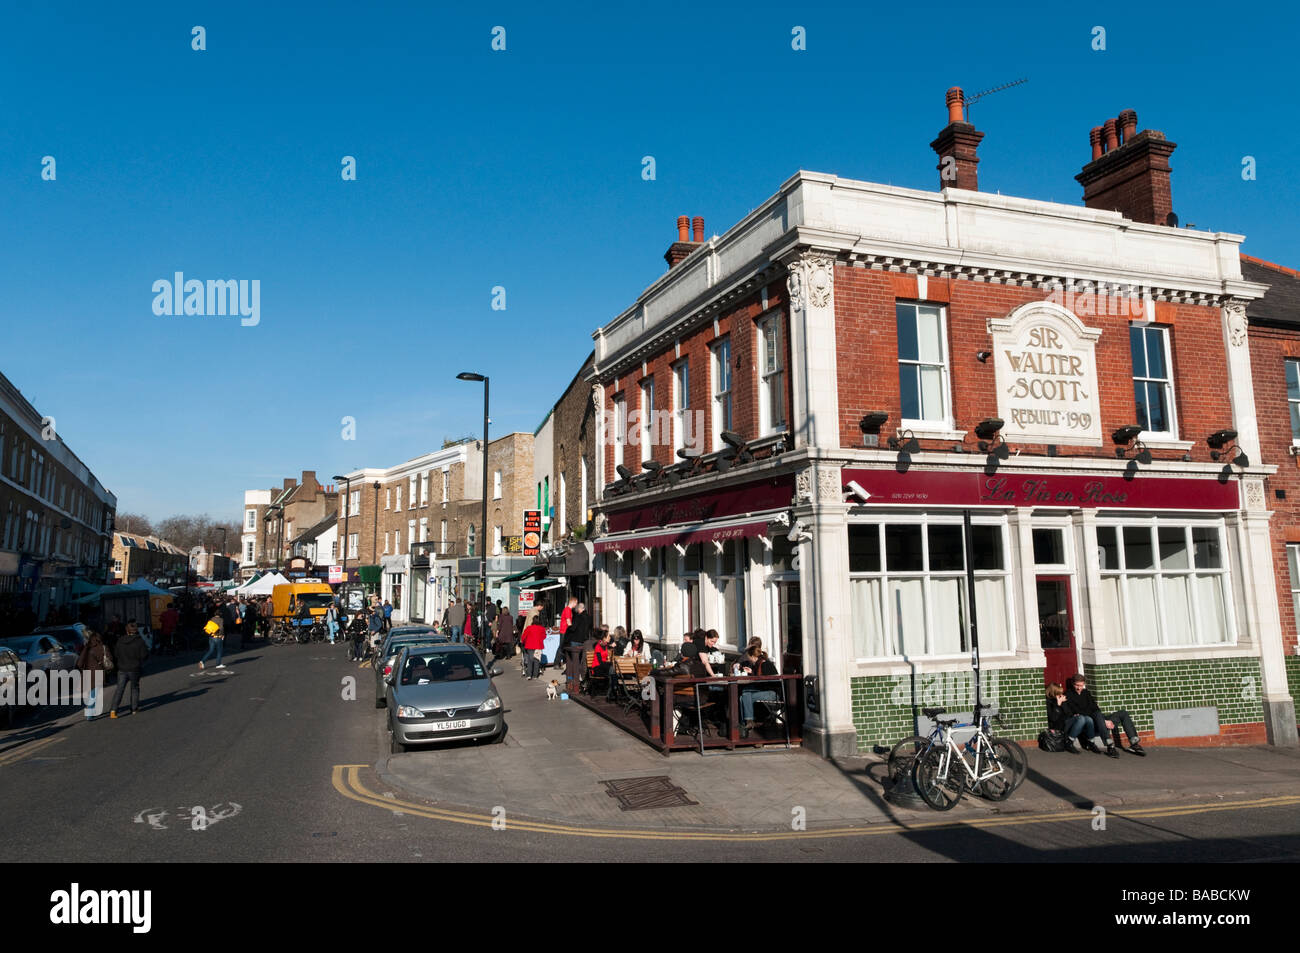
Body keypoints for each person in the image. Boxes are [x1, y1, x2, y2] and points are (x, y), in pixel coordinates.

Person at [1065, 673, 1145, 757]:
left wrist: (1106, 720)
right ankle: (1110, 746)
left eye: (1081, 685)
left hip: (1099, 719)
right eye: (1077, 685)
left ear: (1084, 684)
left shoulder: (1086, 693)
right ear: (1073, 684)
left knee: (1123, 713)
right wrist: (1103, 720)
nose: (1079, 688)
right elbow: (1078, 711)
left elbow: (1095, 708)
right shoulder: (1068, 694)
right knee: (1097, 715)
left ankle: (1134, 743)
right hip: (1090, 723)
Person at [737, 641, 780, 735]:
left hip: (773, 693)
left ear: (753, 657)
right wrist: (751, 672)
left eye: (749, 658)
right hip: (766, 690)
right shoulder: (759, 664)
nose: (749, 660)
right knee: (744, 694)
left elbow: (764, 683)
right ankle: (747, 722)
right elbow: (760, 679)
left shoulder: (764, 664)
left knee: (744, 694)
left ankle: (747, 722)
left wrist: (752, 675)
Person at [109, 620, 149, 718]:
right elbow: (144, 655)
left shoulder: (120, 640)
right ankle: (134, 709)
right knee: (134, 688)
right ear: (136, 631)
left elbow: (116, 654)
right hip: (134, 668)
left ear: (127, 630)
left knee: (119, 689)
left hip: (122, 668)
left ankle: (113, 711)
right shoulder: (139, 641)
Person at [1045, 682, 1095, 754]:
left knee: (1087, 718)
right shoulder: (1049, 702)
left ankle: (1091, 742)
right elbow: (1053, 718)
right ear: (1053, 694)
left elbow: (1069, 713)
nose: (1061, 695)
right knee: (1081, 719)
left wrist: (1065, 705)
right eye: (1059, 693)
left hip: (1066, 721)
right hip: (1058, 726)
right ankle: (1069, 742)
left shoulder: (1062, 700)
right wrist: (1058, 705)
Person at [76, 629, 109, 720]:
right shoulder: (101, 645)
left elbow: (79, 663)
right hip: (98, 671)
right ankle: (90, 713)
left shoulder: (87, 647)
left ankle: (91, 712)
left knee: (92, 693)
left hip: (88, 673)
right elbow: (108, 657)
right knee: (94, 693)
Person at [520, 611, 546, 680]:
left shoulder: (529, 628)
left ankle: (529, 675)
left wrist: (523, 642)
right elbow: (544, 636)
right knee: (536, 660)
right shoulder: (542, 628)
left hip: (530, 646)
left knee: (530, 660)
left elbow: (523, 637)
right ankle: (535, 675)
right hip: (538, 646)